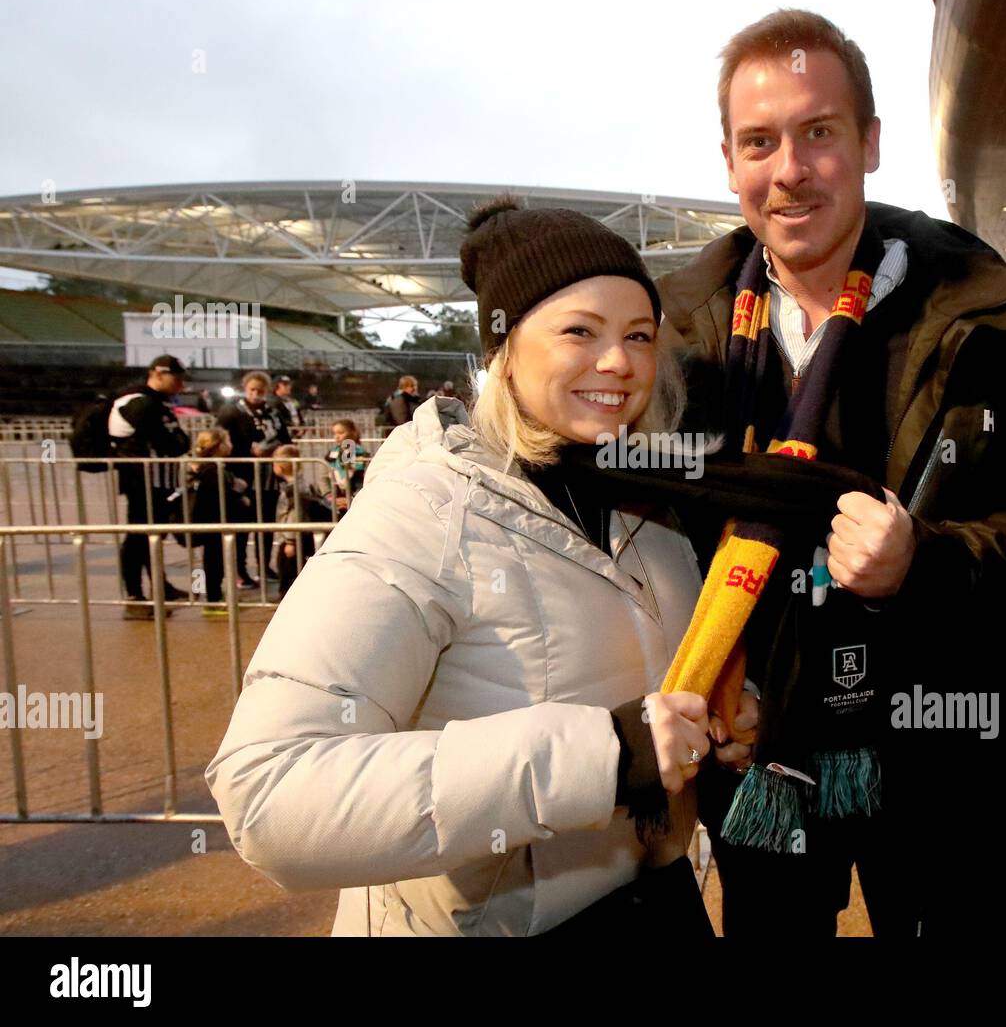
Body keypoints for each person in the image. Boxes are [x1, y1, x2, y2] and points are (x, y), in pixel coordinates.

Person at [657, 10, 1006, 937]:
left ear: (868, 142)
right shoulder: (678, 330)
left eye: (818, 132)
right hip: (761, 758)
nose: (789, 169)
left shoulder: (988, 313)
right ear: (730, 161)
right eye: (759, 141)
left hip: (947, 765)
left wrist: (925, 563)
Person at [208, 201, 743, 936]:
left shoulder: (651, 510)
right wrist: (603, 754)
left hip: (653, 906)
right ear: (503, 350)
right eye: (580, 331)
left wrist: (721, 731)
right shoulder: (423, 513)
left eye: (639, 336)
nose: (618, 361)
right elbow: (269, 794)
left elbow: (652, 711)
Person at [108, 354, 193, 619]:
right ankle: (134, 597)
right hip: (140, 480)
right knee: (138, 537)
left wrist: (176, 440)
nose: (181, 385)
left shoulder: (156, 403)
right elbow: (171, 442)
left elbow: (180, 441)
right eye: (176, 379)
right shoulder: (138, 402)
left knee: (153, 535)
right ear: (157, 374)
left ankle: (160, 586)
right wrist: (176, 440)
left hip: (158, 480)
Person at [216, 370, 291, 587]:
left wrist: (278, 449)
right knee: (242, 526)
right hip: (243, 476)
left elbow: (285, 437)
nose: (256, 394)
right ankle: (240, 570)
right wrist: (248, 450)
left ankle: (264, 565)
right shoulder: (232, 411)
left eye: (260, 390)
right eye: (252, 390)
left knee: (266, 525)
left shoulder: (273, 413)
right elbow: (221, 440)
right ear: (245, 389)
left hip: (269, 477)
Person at [187, 428, 252, 618]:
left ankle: (215, 595)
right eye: (228, 440)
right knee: (213, 562)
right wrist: (240, 497)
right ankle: (212, 600)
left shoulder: (212, 467)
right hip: (214, 522)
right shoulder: (212, 470)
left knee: (215, 561)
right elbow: (223, 495)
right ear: (218, 446)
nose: (230, 445)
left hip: (215, 521)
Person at [268, 443, 330, 598]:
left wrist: (290, 540)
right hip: (298, 534)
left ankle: (288, 598)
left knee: (287, 569)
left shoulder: (293, 490)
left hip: (293, 536)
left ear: (279, 467)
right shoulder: (301, 484)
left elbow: (296, 514)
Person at [324, 418, 368, 512]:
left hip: (355, 497)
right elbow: (323, 478)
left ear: (353, 433)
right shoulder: (332, 453)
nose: (337, 436)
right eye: (334, 433)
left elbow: (360, 478)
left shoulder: (361, 453)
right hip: (334, 496)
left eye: (340, 433)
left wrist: (352, 498)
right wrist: (330, 495)